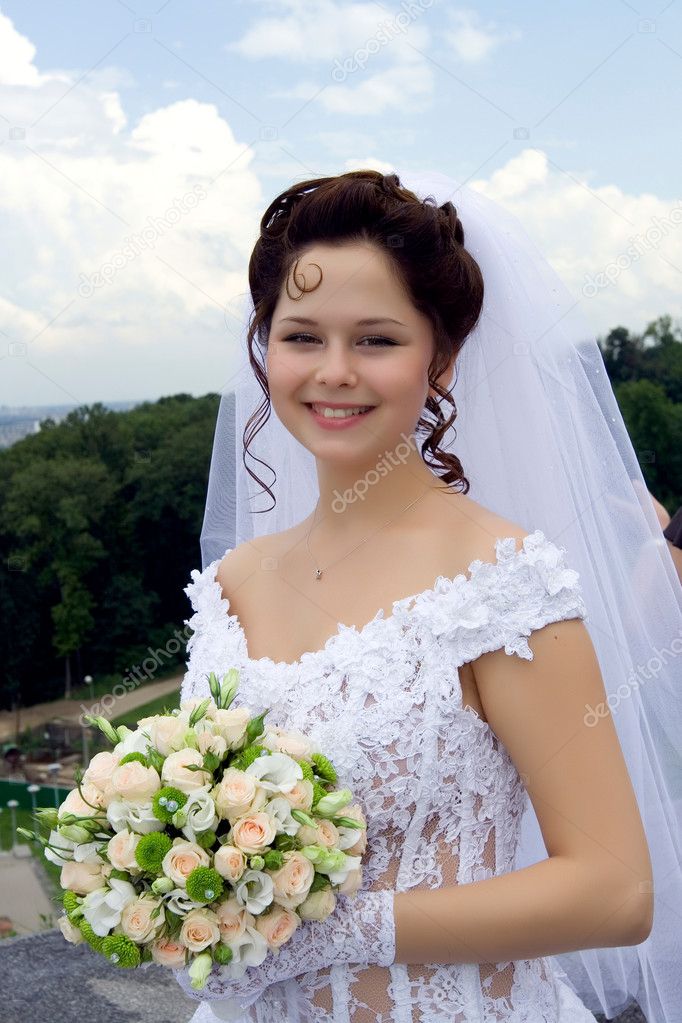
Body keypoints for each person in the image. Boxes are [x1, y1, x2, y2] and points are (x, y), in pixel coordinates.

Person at [174, 170, 682, 1022]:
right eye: (302, 337)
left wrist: (340, 928)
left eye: (376, 340)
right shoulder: (234, 581)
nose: (334, 372)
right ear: (266, 348)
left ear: (440, 358)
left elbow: (616, 890)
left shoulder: (501, 582)